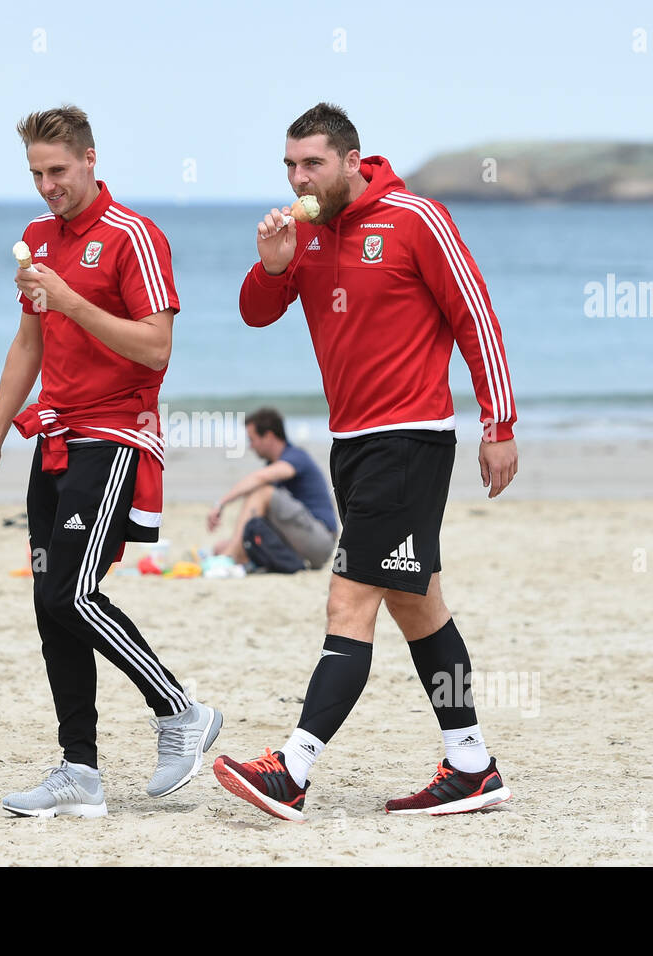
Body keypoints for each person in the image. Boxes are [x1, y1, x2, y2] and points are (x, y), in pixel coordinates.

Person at [213, 103, 518, 819]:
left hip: (410, 441)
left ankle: (292, 767)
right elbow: (257, 312)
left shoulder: (416, 218)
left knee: (348, 599)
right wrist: (273, 265)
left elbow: (476, 317)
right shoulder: (306, 230)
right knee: (417, 605)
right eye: (289, 164)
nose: (298, 177)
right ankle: (471, 763)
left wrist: (498, 422)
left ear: (353, 160)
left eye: (312, 163)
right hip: (351, 446)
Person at [0, 104, 222, 818]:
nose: (48, 187)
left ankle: (180, 711)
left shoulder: (133, 236)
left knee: (72, 593)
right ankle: (80, 771)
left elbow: (156, 348)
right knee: (52, 606)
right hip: (52, 439)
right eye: (36, 174)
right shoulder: (37, 239)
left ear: (90, 160)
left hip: (116, 436)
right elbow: (28, 345)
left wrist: (72, 299)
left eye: (58, 171)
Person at [207, 407, 337, 570]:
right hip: (294, 538)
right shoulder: (274, 465)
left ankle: (230, 558)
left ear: (268, 436)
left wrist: (221, 503)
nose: (251, 447)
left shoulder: (296, 457)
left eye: (252, 439)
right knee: (221, 547)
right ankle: (233, 555)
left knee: (261, 491)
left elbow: (258, 478)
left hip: (320, 540)